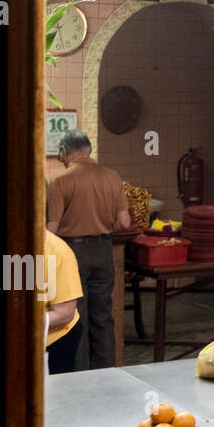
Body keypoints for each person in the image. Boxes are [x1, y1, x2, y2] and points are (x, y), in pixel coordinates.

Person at [46, 130, 131, 370]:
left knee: (75, 318)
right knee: (103, 314)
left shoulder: (60, 181)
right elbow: (124, 222)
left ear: (64, 151)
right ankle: (107, 372)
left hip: (71, 254)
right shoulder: (112, 177)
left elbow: (51, 228)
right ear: (88, 149)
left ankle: (79, 375)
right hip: (104, 251)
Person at [42, 230, 84, 374]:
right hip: (14, 339)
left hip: (54, 339)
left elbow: (65, 313)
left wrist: (18, 324)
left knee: (50, 393)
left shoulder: (56, 251)